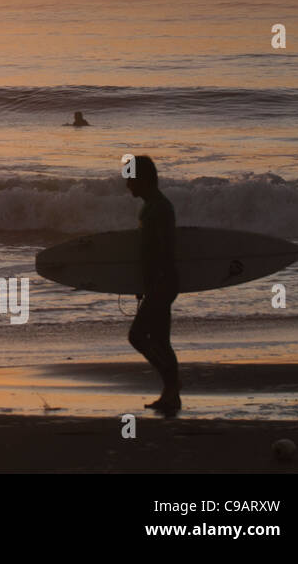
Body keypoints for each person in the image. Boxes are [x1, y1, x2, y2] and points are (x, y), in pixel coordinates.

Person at [126, 155, 181, 413]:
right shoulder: (150, 206)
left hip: (163, 282)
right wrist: (142, 283)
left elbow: (164, 250)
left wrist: (158, 283)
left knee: (137, 336)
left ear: (143, 179)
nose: (127, 185)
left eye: (130, 178)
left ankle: (172, 384)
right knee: (160, 340)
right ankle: (171, 395)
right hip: (158, 283)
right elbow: (146, 252)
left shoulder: (159, 208)